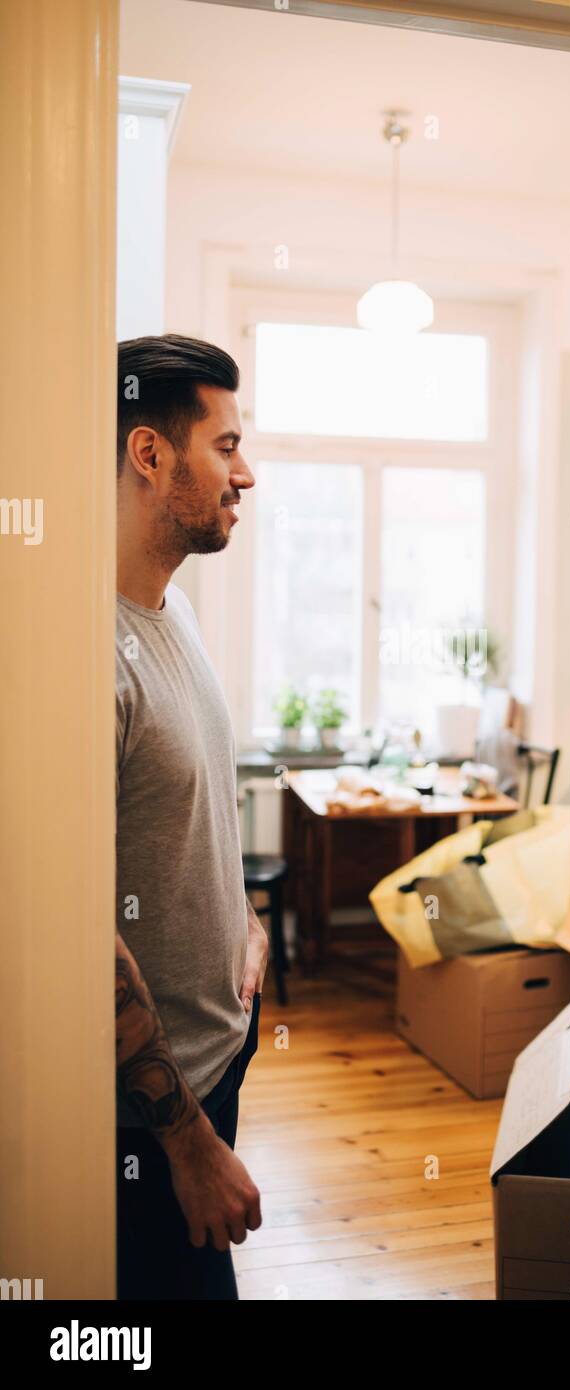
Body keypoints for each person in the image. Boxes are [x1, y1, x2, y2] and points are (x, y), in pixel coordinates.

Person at [115, 333, 268, 1300]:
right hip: (149, 1118)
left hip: (222, 1057)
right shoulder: (84, 648)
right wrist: (188, 1144)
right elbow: (78, 930)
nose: (244, 474)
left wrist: (244, 918)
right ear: (150, 453)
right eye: (226, 446)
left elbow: (190, 810)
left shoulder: (178, 611)